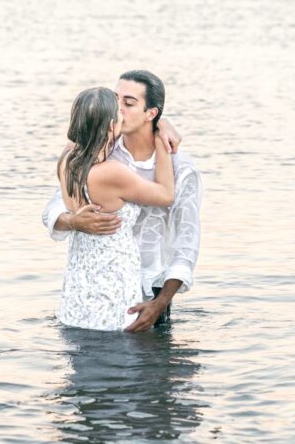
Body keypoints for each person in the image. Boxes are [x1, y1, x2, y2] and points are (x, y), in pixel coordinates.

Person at [44, 70, 203, 332]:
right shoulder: (102, 157)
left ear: (151, 113)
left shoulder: (182, 169)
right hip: (105, 286)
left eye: (128, 104)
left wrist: (161, 302)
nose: (118, 109)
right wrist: (73, 221)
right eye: (115, 101)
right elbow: (52, 210)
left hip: (151, 291)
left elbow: (187, 243)